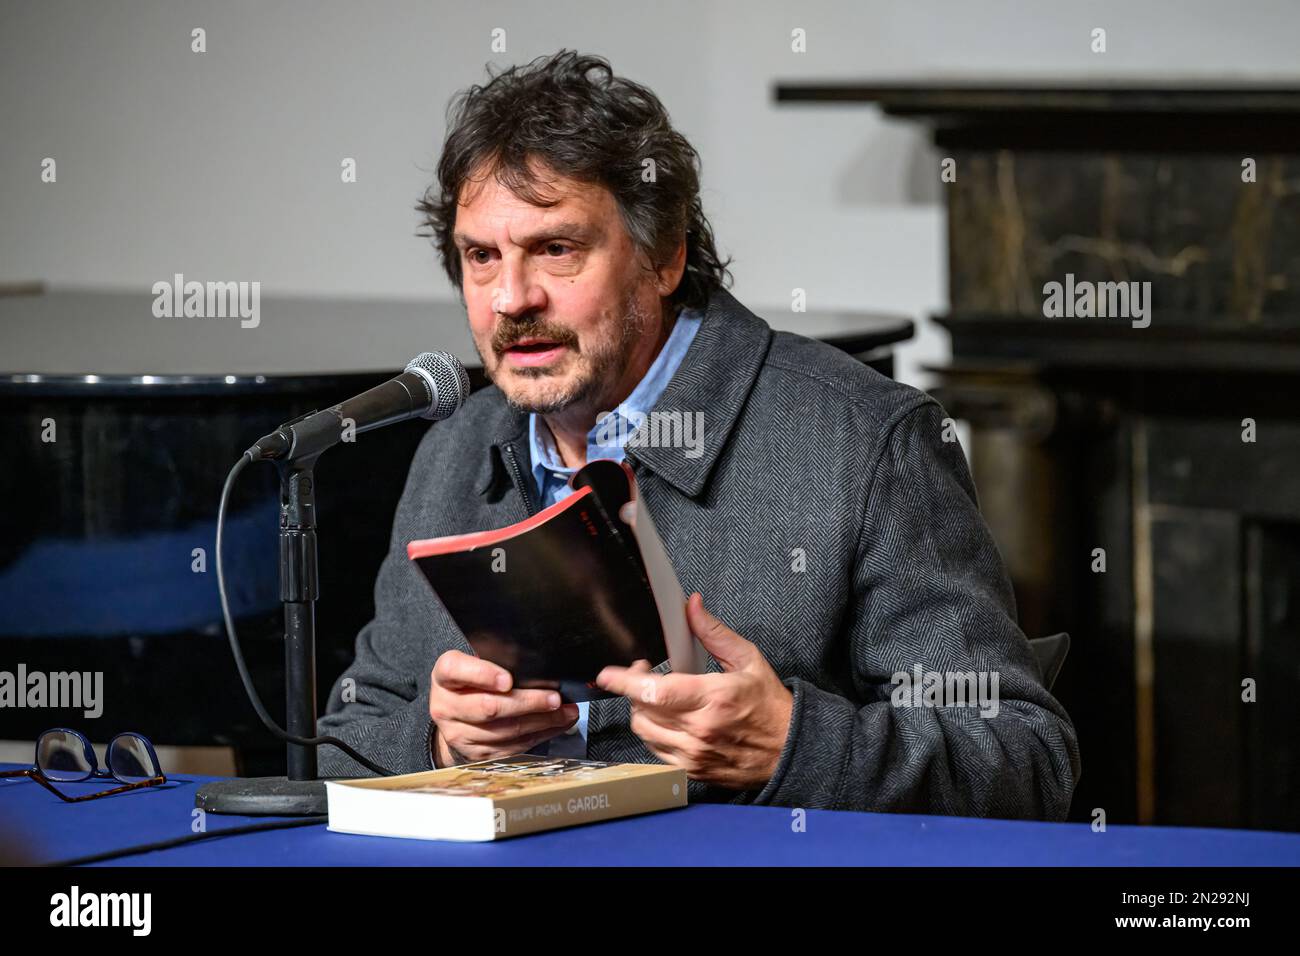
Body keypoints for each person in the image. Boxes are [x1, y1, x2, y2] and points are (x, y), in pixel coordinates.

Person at [317, 50, 1080, 819]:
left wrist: (792, 745)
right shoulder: (455, 446)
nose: (512, 298)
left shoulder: (863, 441)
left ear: (665, 255)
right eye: (481, 257)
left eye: (556, 248)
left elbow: (1024, 760)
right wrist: (442, 744)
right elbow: (344, 737)